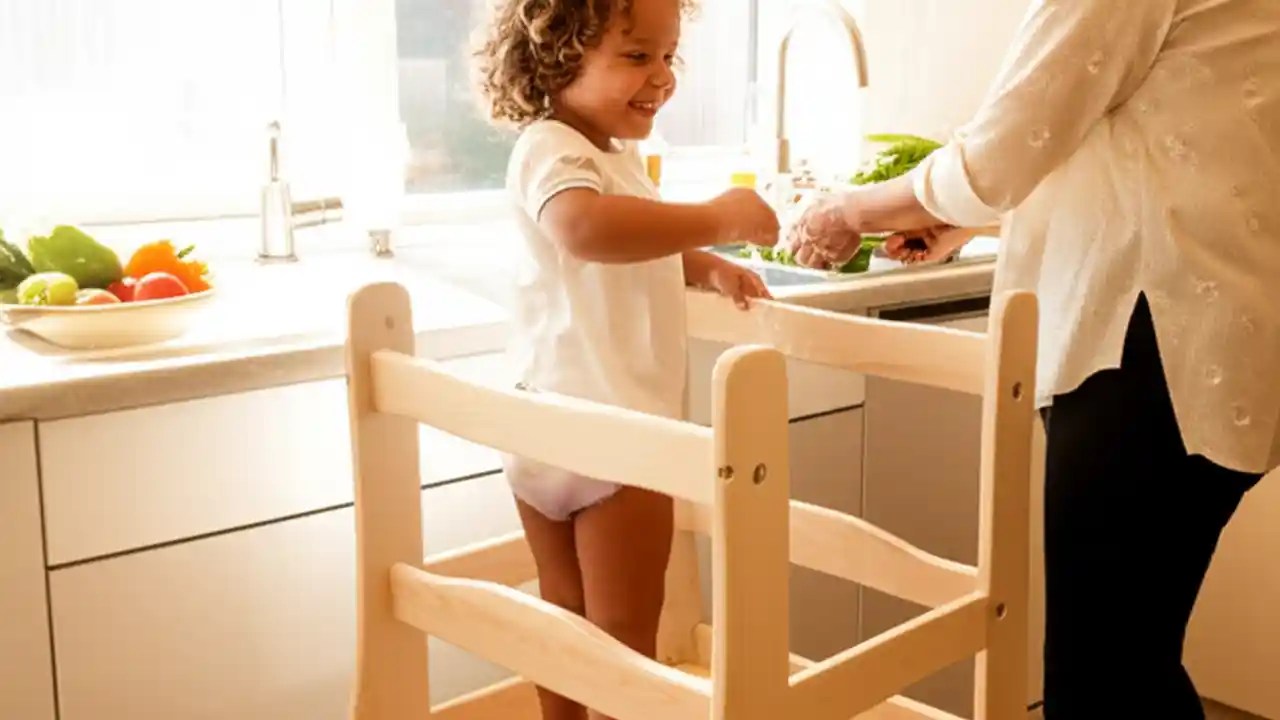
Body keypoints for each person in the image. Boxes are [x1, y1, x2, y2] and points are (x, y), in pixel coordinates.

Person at [785, 1, 1279, 717]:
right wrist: (961, 215)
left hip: (1152, 343)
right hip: (1209, 334)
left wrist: (849, 210)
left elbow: (1010, 140)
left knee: (1101, 674)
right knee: (1130, 656)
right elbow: (1142, 127)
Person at [474, 1, 779, 718]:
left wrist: (700, 264)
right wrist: (718, 218)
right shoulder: (554, 150)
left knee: (568, 617)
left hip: (548, 423)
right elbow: (584, 230)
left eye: (670, 55)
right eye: (637, 56)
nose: (663, 76)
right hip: (616, 435)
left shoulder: (604, 156)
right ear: (556, 57)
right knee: (620, 634)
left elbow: (623, 247)